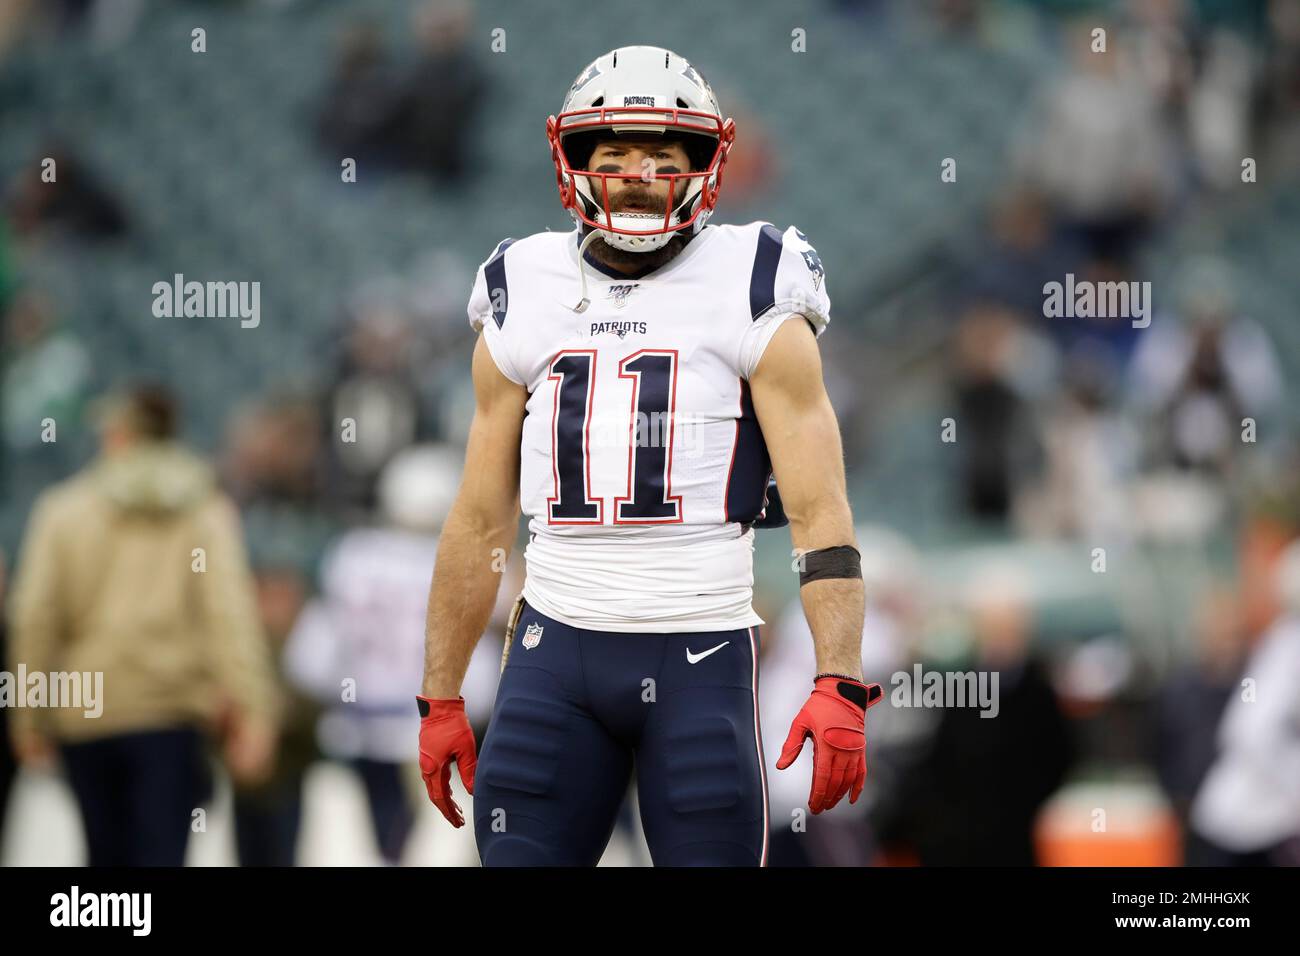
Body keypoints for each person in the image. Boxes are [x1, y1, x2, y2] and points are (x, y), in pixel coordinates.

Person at [415, 46, 881, 866]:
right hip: (552, 651)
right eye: (617, 154)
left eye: (665, 155)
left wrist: (838, 678)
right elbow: (480, 515)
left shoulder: (753, 275)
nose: (638, 173)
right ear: (575, 162)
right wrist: (441, 692)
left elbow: (818, 507)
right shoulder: (524, 281)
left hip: (700, 646)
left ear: (705, 165)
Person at [8, 385, 280, 866]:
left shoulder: (64, 510)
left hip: (86, 713)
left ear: (117, 434)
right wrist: (253, 711)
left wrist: (29, 713)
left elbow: (35, 616)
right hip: (169, 714)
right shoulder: (204, 511)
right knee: (161, 853)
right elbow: (229, 616)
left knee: (103, 857)